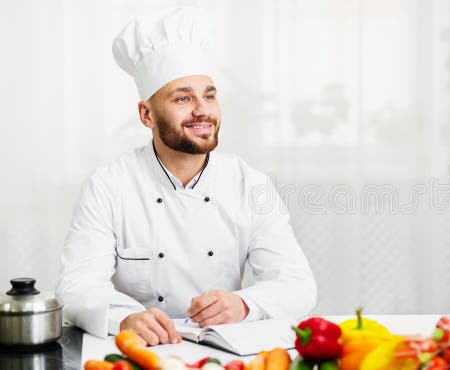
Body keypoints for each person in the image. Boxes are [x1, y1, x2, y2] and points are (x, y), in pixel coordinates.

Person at [56, 6, 316, 346]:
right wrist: (124, 318)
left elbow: (297, 285)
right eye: (183, 98)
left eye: (209, 96)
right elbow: (77, 285)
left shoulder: (250, 184)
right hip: (141, 351)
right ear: (147, 115)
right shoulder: (109, 184)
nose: (202, 110)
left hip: (223, 351)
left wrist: (244, 305)